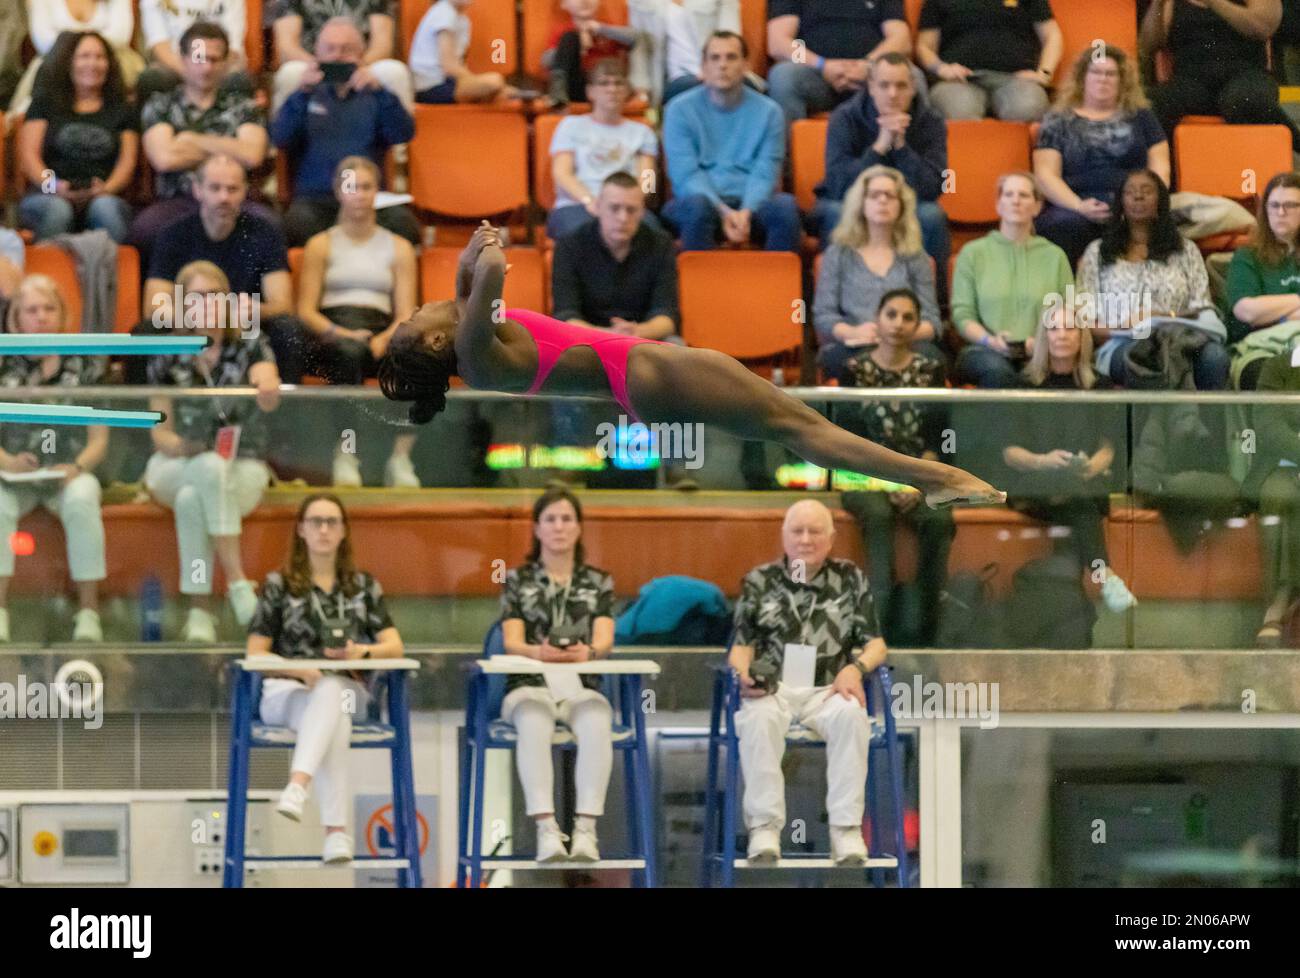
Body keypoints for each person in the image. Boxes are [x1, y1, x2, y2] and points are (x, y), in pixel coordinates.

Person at [378, 221, 1005, 507]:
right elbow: (483, 270)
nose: (421, 308)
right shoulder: (475, 350)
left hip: (643, 375)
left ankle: (929, 479)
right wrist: (485, 245)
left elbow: (463, 283)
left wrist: (477, 251)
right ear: (437, 347)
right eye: (414, 321)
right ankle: (933, 479)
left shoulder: (471, 345)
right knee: (798, 427)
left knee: (794, 425)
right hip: (647, 372)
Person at [727, 498, 886, 864]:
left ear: (830, 539)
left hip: (828, 688)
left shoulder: (850, 578)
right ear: (784, 537)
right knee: (758, 718)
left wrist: (855, 669)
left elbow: (876, 645)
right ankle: (764, 829)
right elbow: (740, 647)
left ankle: (845, 831)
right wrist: (744, 675)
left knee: (852, 715)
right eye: (797, 531)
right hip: (774, 688)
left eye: (815, 531)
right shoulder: (759, 581)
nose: (805, 539)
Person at [249, 492, 405, 865]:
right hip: (287, 690)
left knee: (334, 692)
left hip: (346, 689)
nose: (323, 529)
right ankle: (336, 833)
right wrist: (299, 669)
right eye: (315, 521)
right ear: (301, 530)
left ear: (343, 532)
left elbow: (395, 647)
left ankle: (297, 787)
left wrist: (360, 653)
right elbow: (255, 654)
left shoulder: (363, 587)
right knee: (332, 718)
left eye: (331, 522)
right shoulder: (278, 585)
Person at [143, 260, 282, 643]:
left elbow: (269, 396)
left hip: (243, 467)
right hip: (175, 463)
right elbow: (161, 434)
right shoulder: (168, 351)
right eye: (197, 298)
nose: (206, 305)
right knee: (204, 467)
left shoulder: (250, 342)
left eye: (214, 296)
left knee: (192, 500)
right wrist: (183, 447)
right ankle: (238, 582)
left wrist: (267, 382)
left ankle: (200, 613)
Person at [499, 488, 616, 862]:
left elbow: (605, 640)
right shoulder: (517, 581)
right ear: (536, 529)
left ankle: (586, 830)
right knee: (533, 719)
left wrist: (589, 653)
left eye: (567, 519)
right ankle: (547, 830)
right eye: (550, 519)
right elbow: (511, 641)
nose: (559, 527)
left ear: (580, 528)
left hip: (579, 685)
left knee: (597, 717)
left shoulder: (599, 581)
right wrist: (540, 652)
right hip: (529, 685)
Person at [1000, 305, 1137, 613]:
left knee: (1073, 489)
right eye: (1054, 328)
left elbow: (1108, 449)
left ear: (1082, 336)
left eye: (1071, 328)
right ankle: (1104, 576)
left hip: (1083, 485)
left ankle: (1086, 596)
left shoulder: (1098, 386)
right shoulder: (1021, 384)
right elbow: (1010, 453)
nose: (1062, 334)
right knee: (1069, 485)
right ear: (1043, 335)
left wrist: (1091, 467)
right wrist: (1043, 461)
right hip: (1035, 484)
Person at [838, 290, 952, 647]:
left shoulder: (931, 370)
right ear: (877, 318)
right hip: (863, 477)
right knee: (879, 517)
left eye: (907, 317)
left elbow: (940, 438)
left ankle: (926, 637)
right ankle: (875, 641)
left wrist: (915, 485)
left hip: (918, 480)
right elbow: (846, 442)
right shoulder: (854, 370)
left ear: (917, 325)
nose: (899, 324)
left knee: (938, 520)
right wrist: (887, 485)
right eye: (891, 314)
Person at [297, 157, 421, 488]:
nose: (359, 195)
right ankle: (346, 453)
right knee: (348, 355)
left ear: (376, 192)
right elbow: (306, 311)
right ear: (339, 192)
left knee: (416, 356)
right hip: (334, 330)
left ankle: (400, 458)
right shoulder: (320, 244)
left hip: (381, 328)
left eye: (366, 187)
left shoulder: (399, 247)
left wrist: (384, 338)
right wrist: (343, 333)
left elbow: (406, 311)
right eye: (351, 187)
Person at [0, 274, 108, 643]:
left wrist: (77, 467)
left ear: (62, 315)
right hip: (12, 473)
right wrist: (6, 461)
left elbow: (99, 437)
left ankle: (89, 612)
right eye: (31, 310)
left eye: (49, 308)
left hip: (69, 472)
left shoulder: (86, 364)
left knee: (82, 499)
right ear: (16, 319)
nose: (41, 316)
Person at [142, 154, 306, 383]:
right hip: (190, 321)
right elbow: (154, 304)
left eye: (232, 189)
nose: (224, 197)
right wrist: (193, 315)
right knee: (146, 330)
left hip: (245, 325)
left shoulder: (265, 233)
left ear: (245, 191)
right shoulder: (173, 234)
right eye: (215, 188)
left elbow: (283, 304)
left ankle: (287, 406)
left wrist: (254, 310)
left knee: (288, 329)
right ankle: (141, 408)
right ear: (198, 190)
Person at [271, 17, 419, 247]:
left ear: (361, 55)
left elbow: (402, 134)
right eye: (330, 49)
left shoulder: (375, 94)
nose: (337, 56)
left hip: (368, 199)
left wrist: (380, 92)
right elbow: (281, 138)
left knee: (405, 226)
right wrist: (302, 93)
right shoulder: (304, 94)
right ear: (317, 55)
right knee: (294, 225)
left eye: (347, 50)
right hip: (317, 199)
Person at [1077, 168, 1227, 390]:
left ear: (1160, 201)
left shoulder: (1185, 250)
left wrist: (1157, 316)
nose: (1138, 196)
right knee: (1144, 360)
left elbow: (1201, 307)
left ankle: (1208, 424)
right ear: (1121, 202)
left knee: (1215, 357)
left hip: (1180, 339)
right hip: (1121, 343)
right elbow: (1084, 322)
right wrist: (1121, 329)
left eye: (1147, 191)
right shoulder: (1097, 253)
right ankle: (1172, 424)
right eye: (1130, 192)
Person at [134, 21, 270, 255]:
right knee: (143, 230)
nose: (206, 67)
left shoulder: (244, 107)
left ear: (227, 63)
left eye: (214, 59)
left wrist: (190, 140)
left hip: (233, 199)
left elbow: (252, 155)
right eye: (199, 58)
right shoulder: (161, 105)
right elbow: (164, 159)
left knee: (269, 225)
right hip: (178, 198)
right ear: (183, 59)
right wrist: (228, 148)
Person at [661, 31, 800, 252]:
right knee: (698, 208)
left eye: (731, 57)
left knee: (785, 207)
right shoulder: (678, 110)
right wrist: (723, 211)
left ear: (746, 65)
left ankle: (779, 285)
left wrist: (746, 211)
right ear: (704, 67)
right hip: (697, 203)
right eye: (715, 58)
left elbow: (766, 172)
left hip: (751, 206)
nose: (722, 65)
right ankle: (699, 286)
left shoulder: (770, 112)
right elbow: (684, 175)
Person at [1033, 45, 1169, 268]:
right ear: (1082, 78)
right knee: (1063, 227)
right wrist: (1078, 205)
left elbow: (1161, 169)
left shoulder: (1143, 116)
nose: (1103, 79)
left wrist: (1140, 204)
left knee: (1160, 225)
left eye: (1111, 74)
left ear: (1122, 81)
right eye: (1095, 72)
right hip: (1075, 205)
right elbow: (1046, 175)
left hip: (1133, 202)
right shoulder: (1057, 120)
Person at [812, 51, 949, 273]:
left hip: (906, 201)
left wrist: (901, 147)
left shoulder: (931, 122)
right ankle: (834, 299)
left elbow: (934, 187)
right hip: (851, 200)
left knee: (932, 216)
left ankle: (937, 303)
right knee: (835, 212)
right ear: (871, 86)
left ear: (913, 87)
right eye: (884, 85)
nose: (893, 94)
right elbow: (838, 184)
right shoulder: (845, 117)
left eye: (901, 86)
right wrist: (879, 146)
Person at [813, 166, 943, 383]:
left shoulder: (915, 256)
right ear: (861, 204)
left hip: (906, 344)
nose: (882, 201)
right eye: (874, 195)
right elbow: (824, 315)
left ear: (901, 206)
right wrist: (852, 332)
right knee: (838, 361)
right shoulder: (838, 253)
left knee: (932, 358)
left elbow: (932, 322)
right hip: (857, 341)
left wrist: (897, 333)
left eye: (890, 196)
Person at [952, 172, 1073, 388]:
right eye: (1008, 194)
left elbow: (1069, 312)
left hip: (1040, 351)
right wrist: (990, 341)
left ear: (1037, 207)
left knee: (1041, 376)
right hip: (984, 350)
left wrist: (1041, 345)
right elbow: (962, 315)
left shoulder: (1055, 256)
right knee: (999, 373)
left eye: (1024, 195)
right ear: (998, 205)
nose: (1016, 200)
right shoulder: (972, 253)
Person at [16, 31, 138, 243]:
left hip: (102, 194)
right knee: (58, 210)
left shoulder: (123, 109)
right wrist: (53, 186)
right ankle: (48, 275)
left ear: (109, 64)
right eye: (84, 56)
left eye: (100, 57)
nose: (93, 63)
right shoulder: (45, 103)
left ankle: (112, 276)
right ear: (69, 62)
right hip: (47, 194)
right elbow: (29, 157)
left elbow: (127, 163)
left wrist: (106, 189)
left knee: (106, 210)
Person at [1143, 0, 1298, 149]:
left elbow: (1263, 27)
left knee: (1246, 100)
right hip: (1192, 81)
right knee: (1149, 106)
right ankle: (1170, 172)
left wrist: (1214, 2)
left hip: (1244, 74)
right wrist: (1158, 4)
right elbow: (1149, 44)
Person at [551, 172, 678, 339]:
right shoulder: (569, 245)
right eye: (614, 208)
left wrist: (637, 332)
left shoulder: (661, 244)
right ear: (597, 207)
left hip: (644, 339)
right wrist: (610, 337)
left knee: (676, 346)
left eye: (631, 210)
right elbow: (565, 315)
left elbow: (666, 315)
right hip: (587, 341)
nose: (623, 218)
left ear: (642, 212)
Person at [546, 59, 658, 241]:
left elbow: (648, 181)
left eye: (618, 83)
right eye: (604, 83)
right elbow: (561, 173)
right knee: (583, 234)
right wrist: (590, 201)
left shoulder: (643, 132)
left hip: (626, 205)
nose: (612, 89)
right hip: (577, 205)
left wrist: (627, 203)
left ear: (627, 91)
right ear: (590, 91)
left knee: (652, 233)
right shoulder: (570, 126)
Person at [765, 0, 913, 126]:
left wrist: (870, 65)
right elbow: (778, 43)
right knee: (783, 77)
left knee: (914, 78)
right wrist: (822, 65)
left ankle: (913, 156)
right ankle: (789, 157)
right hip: (815, 74)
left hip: (873, 77)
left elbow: (901, 39)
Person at [915, 0, 1060, 122]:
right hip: (959, 81)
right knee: (959, 111)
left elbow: (1052, 35)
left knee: (1030, 106)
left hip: (1015, 80)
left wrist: (1044, 73)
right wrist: (942, 69)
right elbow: (924, 46)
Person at [1244, 351, 1300, 644]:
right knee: (1281, 496)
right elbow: (1269, 429)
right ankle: (1277, 602)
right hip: (1281, 466)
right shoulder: (1278, 366)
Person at [1225, 171, 1300, 390]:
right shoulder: (1248, 255)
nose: (1281, 212)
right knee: (1276, 374)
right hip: (1258, 347)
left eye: (1290, 205)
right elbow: (1247, 311)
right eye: (1274, 205)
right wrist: (1296, 300)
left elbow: (1259, 311)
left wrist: (1273, 311)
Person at [271, 0, 412, 113]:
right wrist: (319, 67)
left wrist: (356, 67)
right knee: (290, 73)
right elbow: (287, 46)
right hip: (312, 65)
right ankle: (284, 146)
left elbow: (382, 44)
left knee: (394, 71)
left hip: (362, 64)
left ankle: (399, 146)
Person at [11, 0, 143, 117]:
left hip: (112, 58)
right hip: (55, 60)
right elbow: (44, 41)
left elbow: (119, 36)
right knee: (47, 71)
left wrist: (80, 47)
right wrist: (85, 47)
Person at [137, 0, 254, 101]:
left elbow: (233, 48)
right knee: (153, 79)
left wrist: (209, 70)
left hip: (218, 64)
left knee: (238, 81)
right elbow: (159, 44)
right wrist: (193, 74)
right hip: (177, 65)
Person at [409, 0, 511, 104]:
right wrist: (474, 81)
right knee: (494, 81)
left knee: (495, 90)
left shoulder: (461, 18)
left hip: (448, 82)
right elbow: (449, 67)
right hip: (431, 87)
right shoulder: (444, 13)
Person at [543, 0, 637, 106]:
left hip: (607, 84)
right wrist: (577, 47)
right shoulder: (562, 30)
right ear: (563, 4)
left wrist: (601, 29)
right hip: (577, 86)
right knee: (570, 37)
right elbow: (546, 61)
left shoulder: (607, 26)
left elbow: (636, 39)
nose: (584, 1)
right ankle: (557, 93)